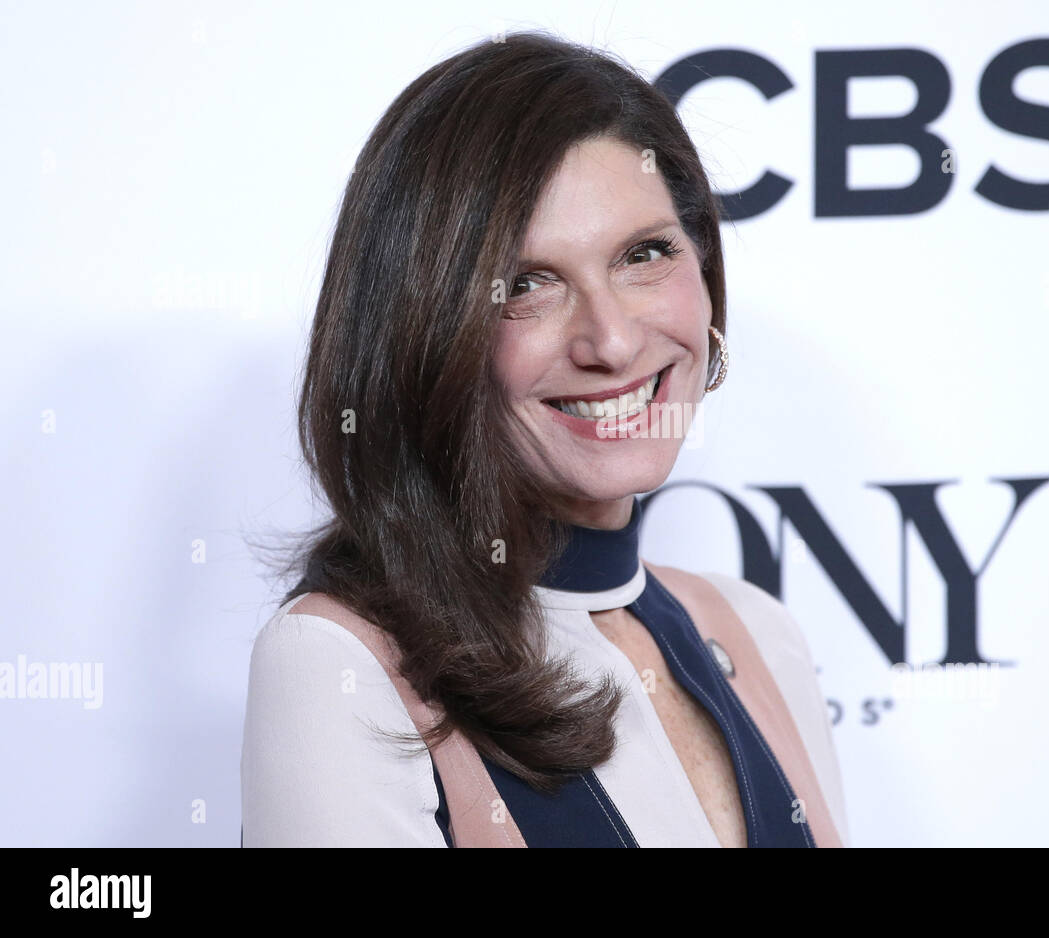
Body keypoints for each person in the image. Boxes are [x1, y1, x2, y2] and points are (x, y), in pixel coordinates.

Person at [240, 30, 848, 847]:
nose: (613, 342)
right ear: (423, 334)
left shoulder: (756, 633)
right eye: (528, 284)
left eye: (645, 255)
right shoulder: (336, 666)